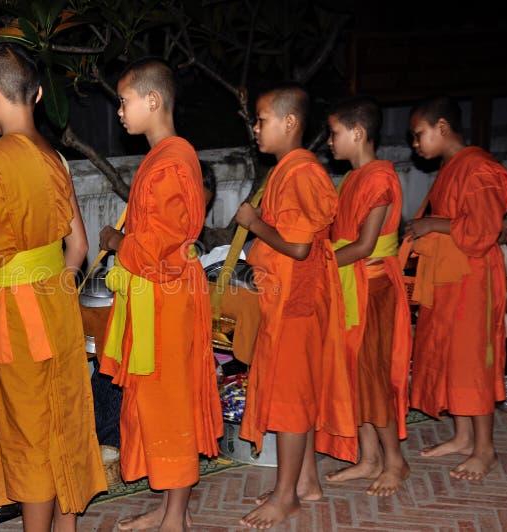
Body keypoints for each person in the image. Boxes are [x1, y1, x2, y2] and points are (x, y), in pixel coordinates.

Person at [0, 43, 105, 532]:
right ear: (36, 94)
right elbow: (77, 247)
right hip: (57, 305)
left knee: (27, 429)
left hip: (15, 316)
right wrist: (50, 283)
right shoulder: (53, 157)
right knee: (63, 418)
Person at [98, 57, 223, 532]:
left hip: (166, 297)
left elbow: (153, 248)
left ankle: (176, 517)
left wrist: (114, 241)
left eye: (125, 102)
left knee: (168, 403)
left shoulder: (172, 162)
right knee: (154, 402)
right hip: (157, 295)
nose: (120, 112)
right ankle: (170, 508)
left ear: (153, 101)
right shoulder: (164, 156)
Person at [233, 83, 355, 529]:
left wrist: (253, 222)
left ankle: (286, 497)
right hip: (293, 297)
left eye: (262, 120)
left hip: (297, 302)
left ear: (289, 123)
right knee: (296, 394)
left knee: (289, 400)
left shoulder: (300, 173)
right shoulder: (290, 168)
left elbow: (299, 247)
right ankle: (306, 483)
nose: (255, 128)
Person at [405, 95, 507, 481]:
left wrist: (432, 225)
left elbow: (483, 231)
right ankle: (464, 437)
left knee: (473, 361)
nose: (415, 145)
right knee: (452, 357)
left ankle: (485, 450)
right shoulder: (453, 167)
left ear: (442, 127)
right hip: (450, 280)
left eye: (419, 135)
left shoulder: (477, 168)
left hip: (474, 280)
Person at [323, 96, 411, 496]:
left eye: (334, 133)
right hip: (350, 284)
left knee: (373, 374)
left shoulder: (379, 178)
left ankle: (396, 462)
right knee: (354, 371)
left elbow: (364, 245)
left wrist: (317, 267)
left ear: (358, 133)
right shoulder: (353, 179)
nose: (329, 141)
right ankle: (369, 458)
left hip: (372, 287)